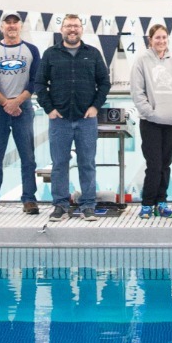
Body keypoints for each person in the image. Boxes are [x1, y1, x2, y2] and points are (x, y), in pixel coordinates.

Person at [36, 14, 109, 219]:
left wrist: (95, 106)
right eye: (68, 26)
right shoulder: (51, 54)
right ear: (62, 30)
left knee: (87, 163)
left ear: (81, 29)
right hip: (60, 119)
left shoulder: (92, 53)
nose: (72, 29)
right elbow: (39, 83)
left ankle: (88, 205)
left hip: (86, 119)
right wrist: (49, 108)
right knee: (59, 164)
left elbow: (104, 82)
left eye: (76, 26)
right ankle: (60, 205)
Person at [0, 12, 42, 216]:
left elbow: (35, 81)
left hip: (23, 107)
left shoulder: (31, 50)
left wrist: (17, 101)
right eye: (8, 23)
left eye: (15, 23)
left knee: (28, 156)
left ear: (21, 26)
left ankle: (29, 199)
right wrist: (6, 103)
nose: (12, 26)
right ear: (2, 27)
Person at [130, 22, 172, 218]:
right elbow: (137, 92)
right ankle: (147, 203)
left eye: (164, 37)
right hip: (151, 122)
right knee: (154, 164)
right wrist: (150, 112)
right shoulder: (142, 61)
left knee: (165, 164)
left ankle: (162, 202)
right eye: (157, 37)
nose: (161, 41)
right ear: (150, 40)